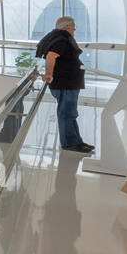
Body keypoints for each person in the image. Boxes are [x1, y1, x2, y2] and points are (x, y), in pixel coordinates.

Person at [37, 16, 93, 153]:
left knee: (70, 113)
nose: (74, 29)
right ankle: (69, 143)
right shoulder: (61, 39)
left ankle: (76, 141)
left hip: (68, 83)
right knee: (67, 114)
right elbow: (51, 56)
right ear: (67, 26)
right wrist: (49, 74)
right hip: (65, 84)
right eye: (73, 26)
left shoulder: (60, 38)